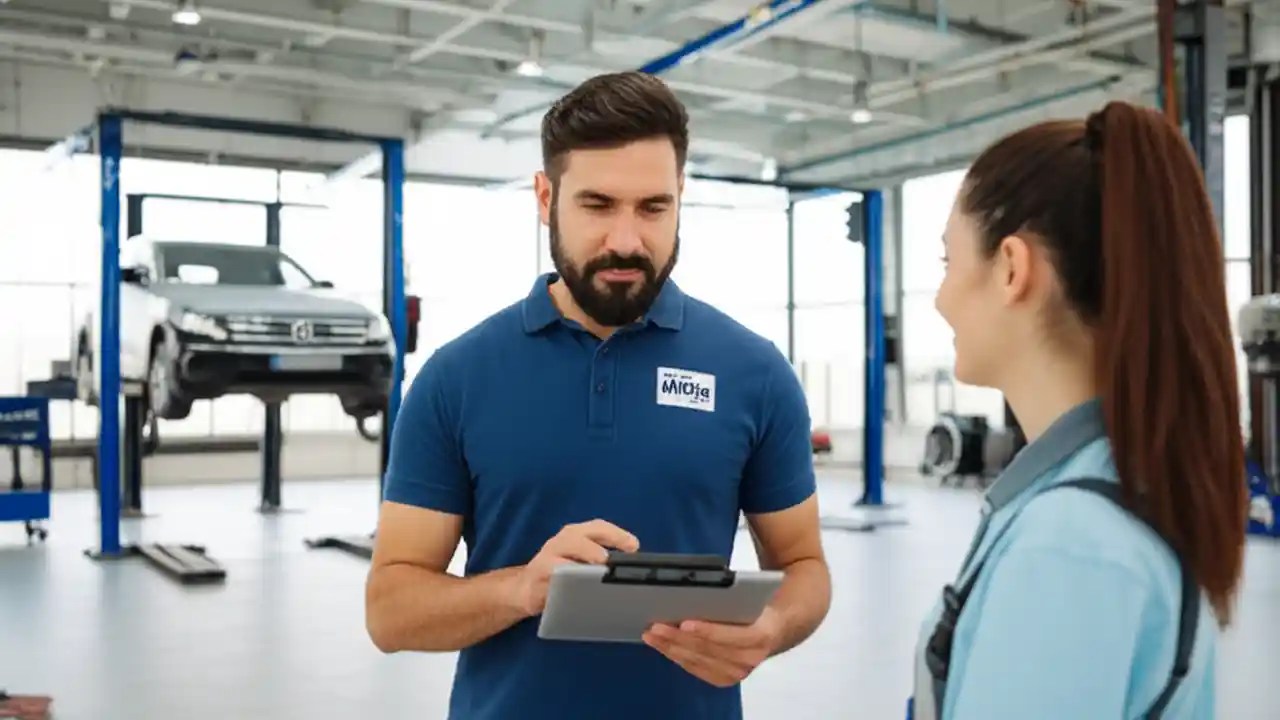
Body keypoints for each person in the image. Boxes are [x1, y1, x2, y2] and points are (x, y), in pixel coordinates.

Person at [364, 71, 831, 720]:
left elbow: (805, 565)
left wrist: (773, 627)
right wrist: (522, 590)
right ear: (545, 197)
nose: (626, 241)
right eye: (598, 205)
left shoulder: (754, 373)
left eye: (653, 208)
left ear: (680, 197)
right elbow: (390, 610)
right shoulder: (456, 378)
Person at [910, 101, 1247, 719]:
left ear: (1011, 269)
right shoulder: (1105, 493)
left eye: (947, 263)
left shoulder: (1068, 546)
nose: (939, 298)